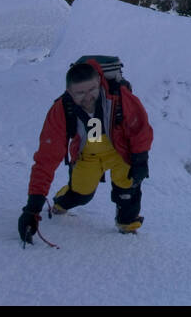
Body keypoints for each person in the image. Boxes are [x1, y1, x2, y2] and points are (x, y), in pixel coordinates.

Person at [19, 58, 153, 244]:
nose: (88, 97)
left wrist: (140, 160)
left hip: (119, 152)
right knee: (81, 195)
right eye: (80, 93)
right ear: (69, 92)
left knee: (128, 187)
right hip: (88, 156)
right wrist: (32, 208)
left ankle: (127, 225)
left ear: (99, 82)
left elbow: (140, 129)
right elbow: (46, 160)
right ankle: (61, 201)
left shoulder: (119, 97)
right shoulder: (61, 110)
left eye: (91, 90)